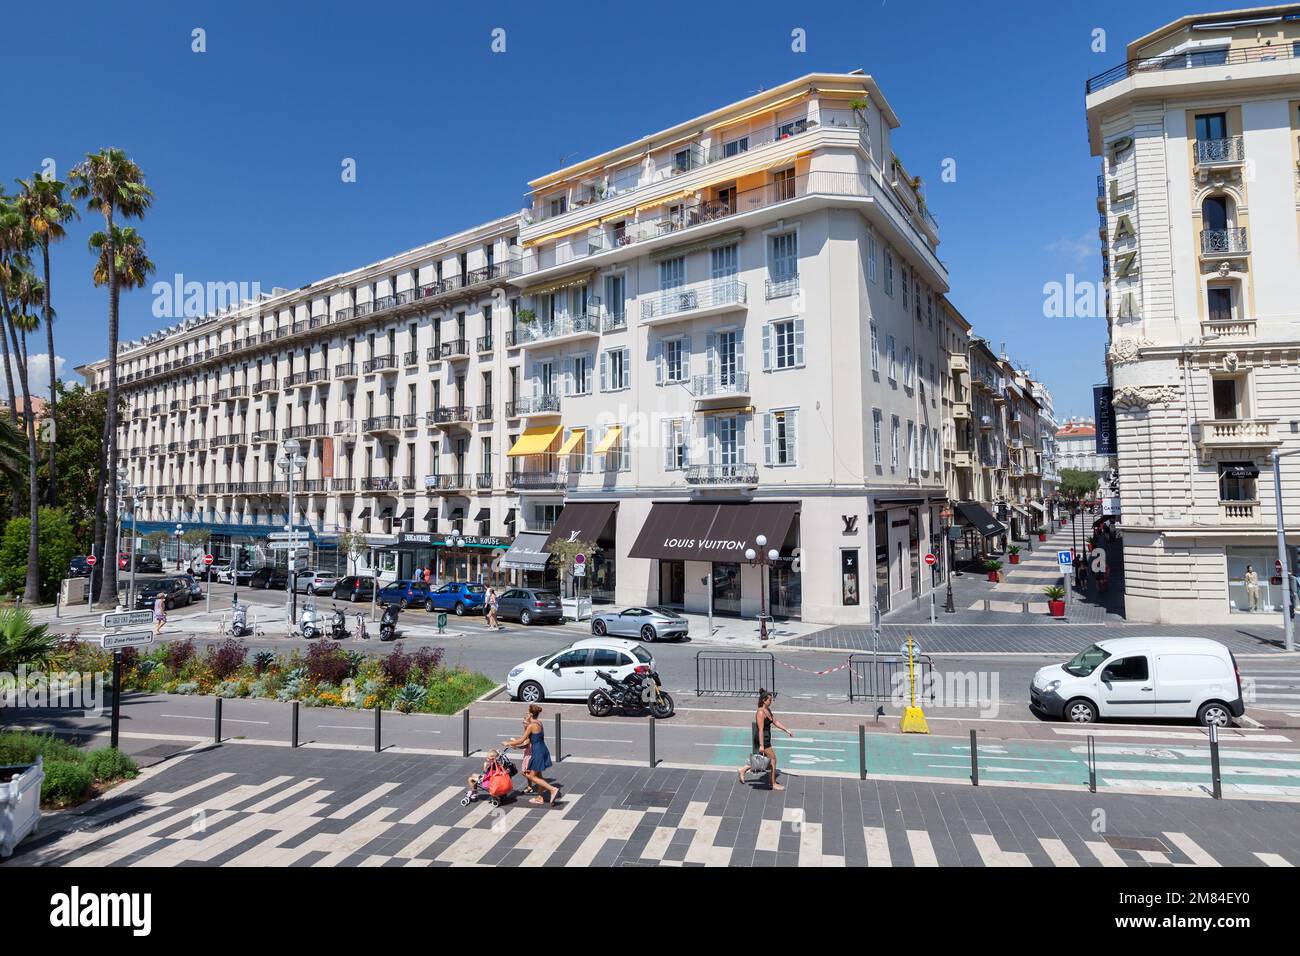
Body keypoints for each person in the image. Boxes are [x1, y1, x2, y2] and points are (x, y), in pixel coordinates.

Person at [503, 704, 559, 805]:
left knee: (532, 776)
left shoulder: (531, 725)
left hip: (537, 752)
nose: (527, 714)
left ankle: (552, 789)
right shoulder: (539, 723)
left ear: (531, 714)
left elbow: (521, 740)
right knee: (539, 775)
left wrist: (508, 743)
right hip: (543, 749)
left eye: (528, 712)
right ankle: (540, 797)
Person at [738, 689, 794, 791]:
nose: (771, 701)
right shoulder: (760, 712)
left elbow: (775, 721)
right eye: (769, 700)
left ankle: (744, 769)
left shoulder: (767, 710)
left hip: (766, 738)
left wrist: (786, 730)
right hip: (762, 739)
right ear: (764, 700)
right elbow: (760, 729)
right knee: (773, 760)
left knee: (765, 760)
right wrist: (762, 745)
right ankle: (773, 784)